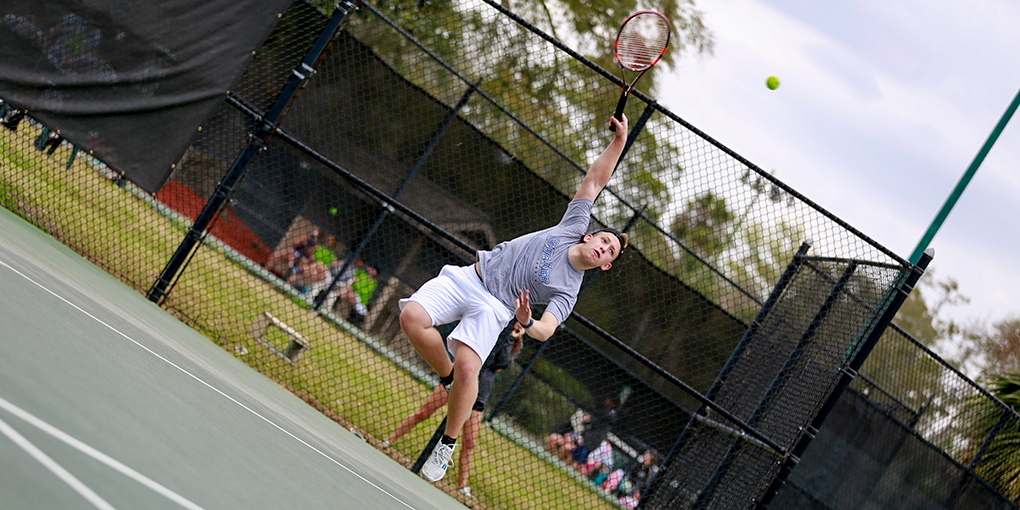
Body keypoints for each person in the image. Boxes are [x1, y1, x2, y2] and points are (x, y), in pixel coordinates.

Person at [399, 114, 631, 482]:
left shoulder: (567, 290)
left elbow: (545, 331)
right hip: (471, 276)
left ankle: (447, 444)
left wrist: (525, 319)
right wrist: (619, 142)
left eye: (612, 253)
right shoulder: (572, 227)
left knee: (469, 369)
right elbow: (596, 179)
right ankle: (448, 380)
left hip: (498, 307)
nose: (605, 248)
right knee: (412, 318)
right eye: (604, 240)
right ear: (590, 237)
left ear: (605, 266)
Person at [384, 321, 524, 496]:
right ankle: (388, 441)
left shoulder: (514, 341)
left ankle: (462, 486)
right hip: (457, 381)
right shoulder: (491, 327)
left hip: (480, 395)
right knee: (424, 412)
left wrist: (511, 338)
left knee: (469, 442)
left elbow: (501, 363)